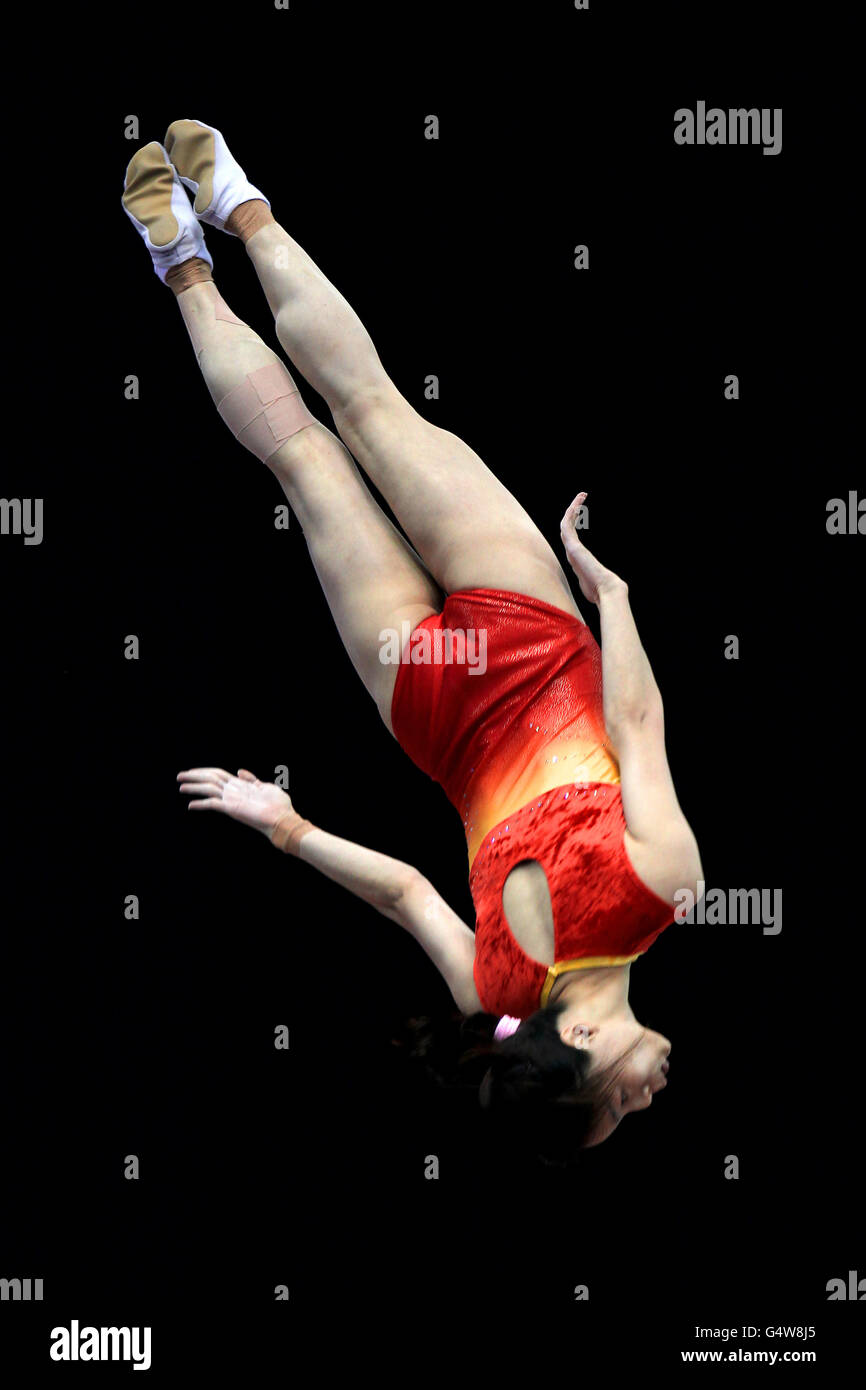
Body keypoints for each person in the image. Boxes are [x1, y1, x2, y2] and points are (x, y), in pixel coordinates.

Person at [123, 120, 704, 1147]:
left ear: (592, 1084)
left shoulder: (663, 890)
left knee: (369, 411)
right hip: (428, 707)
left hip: (529, 638)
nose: (649, 1097)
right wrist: (287, 826)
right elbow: (402, 891)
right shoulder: (495, 994)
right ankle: (179, 258)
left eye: (624, 1108)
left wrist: (607, 597)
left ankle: (240, 209)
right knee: (302, 462)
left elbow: (641, 714)